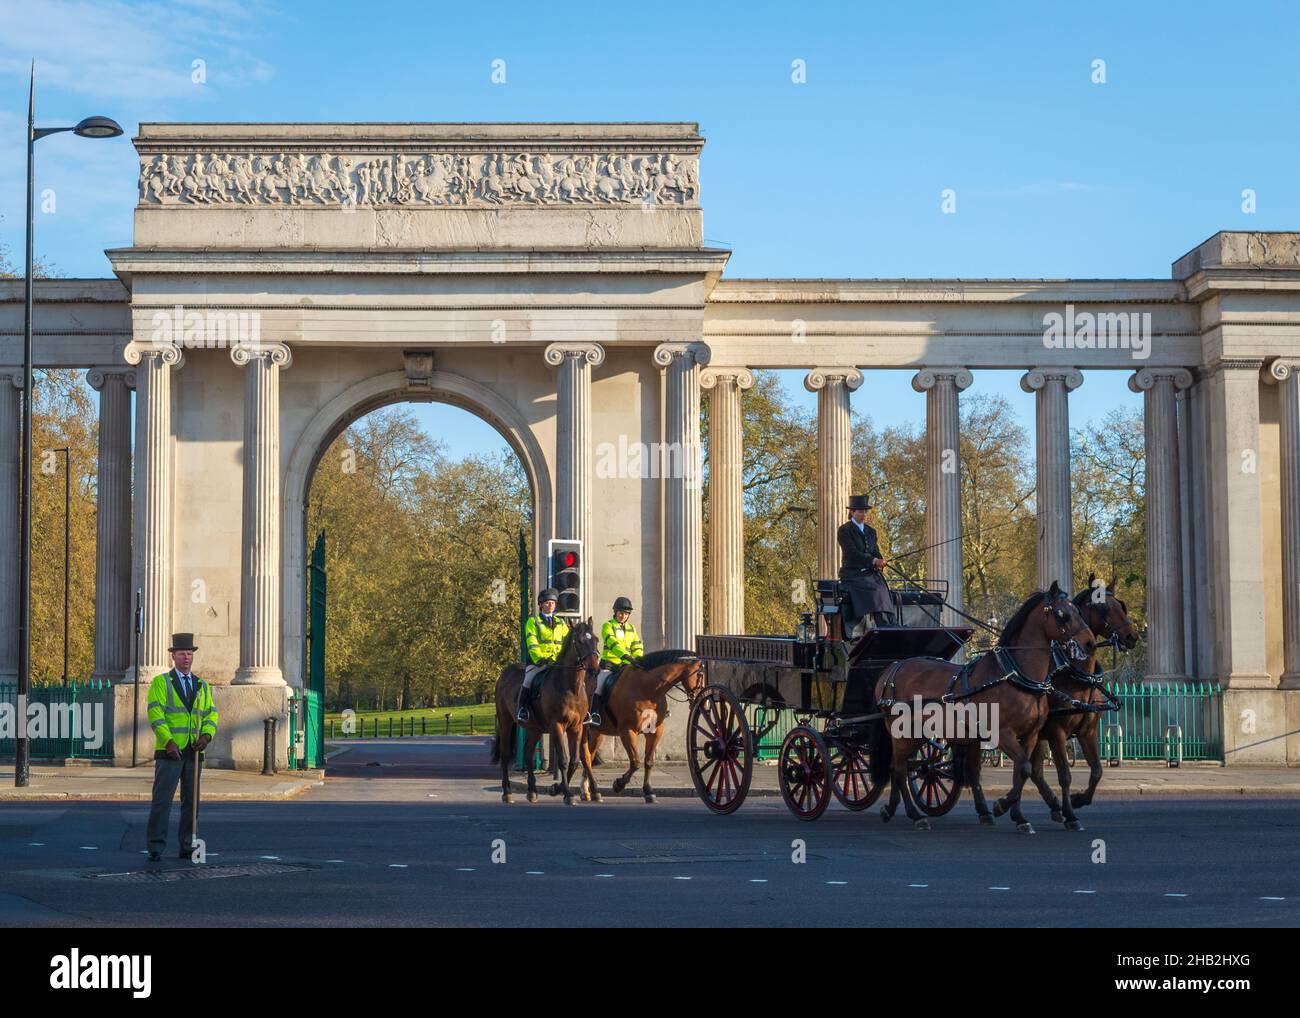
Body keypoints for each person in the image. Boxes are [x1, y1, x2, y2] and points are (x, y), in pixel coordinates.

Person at [145, 634, 219, 862]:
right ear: (173, 656)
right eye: (182, 653)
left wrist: (207, 735)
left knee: (191, 802)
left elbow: (211, 713)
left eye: (189, 653)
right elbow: (156, 714)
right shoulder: (161, 683)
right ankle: (155, 847)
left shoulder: (201, 685)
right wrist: (168, 741)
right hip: (170, 751)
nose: (186, 658)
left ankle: (187, 845)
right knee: (162, 801)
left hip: (194, 751)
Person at [836, 494, 895, 637]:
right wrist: (873, 561)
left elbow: (875, 551)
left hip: (869, 573)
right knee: (875, 588)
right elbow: (851, 553)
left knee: (882, 585)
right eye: (860, 511)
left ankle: (889, 622)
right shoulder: (844, 530)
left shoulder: (871, 531)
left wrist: (881, 561)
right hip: (852, 574)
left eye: (865, 511)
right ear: (852, 512)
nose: (864, 514)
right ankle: (882, 624)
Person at [517, 588, 570, 722]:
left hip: (557, 663)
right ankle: (523, 710)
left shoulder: (561, 623)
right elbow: (532, 642)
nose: (550, 605)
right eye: (547, 602)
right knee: (528, 680)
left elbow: (567, 643)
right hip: (539, 662)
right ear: (541, 605)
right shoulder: (533, 622)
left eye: (552, 602)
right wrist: (539, 658)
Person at [590, 596, 644, 726]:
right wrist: (626, 656)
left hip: (626, 665)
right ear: (615, 612)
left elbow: (637, 644)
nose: (623, 616)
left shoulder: (632, 628)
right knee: (599, 685)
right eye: (621, 613)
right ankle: (594, 714)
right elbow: (612, 643)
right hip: (609, 664)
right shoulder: (608, 626)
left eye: (626, 614)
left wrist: (639, 657)